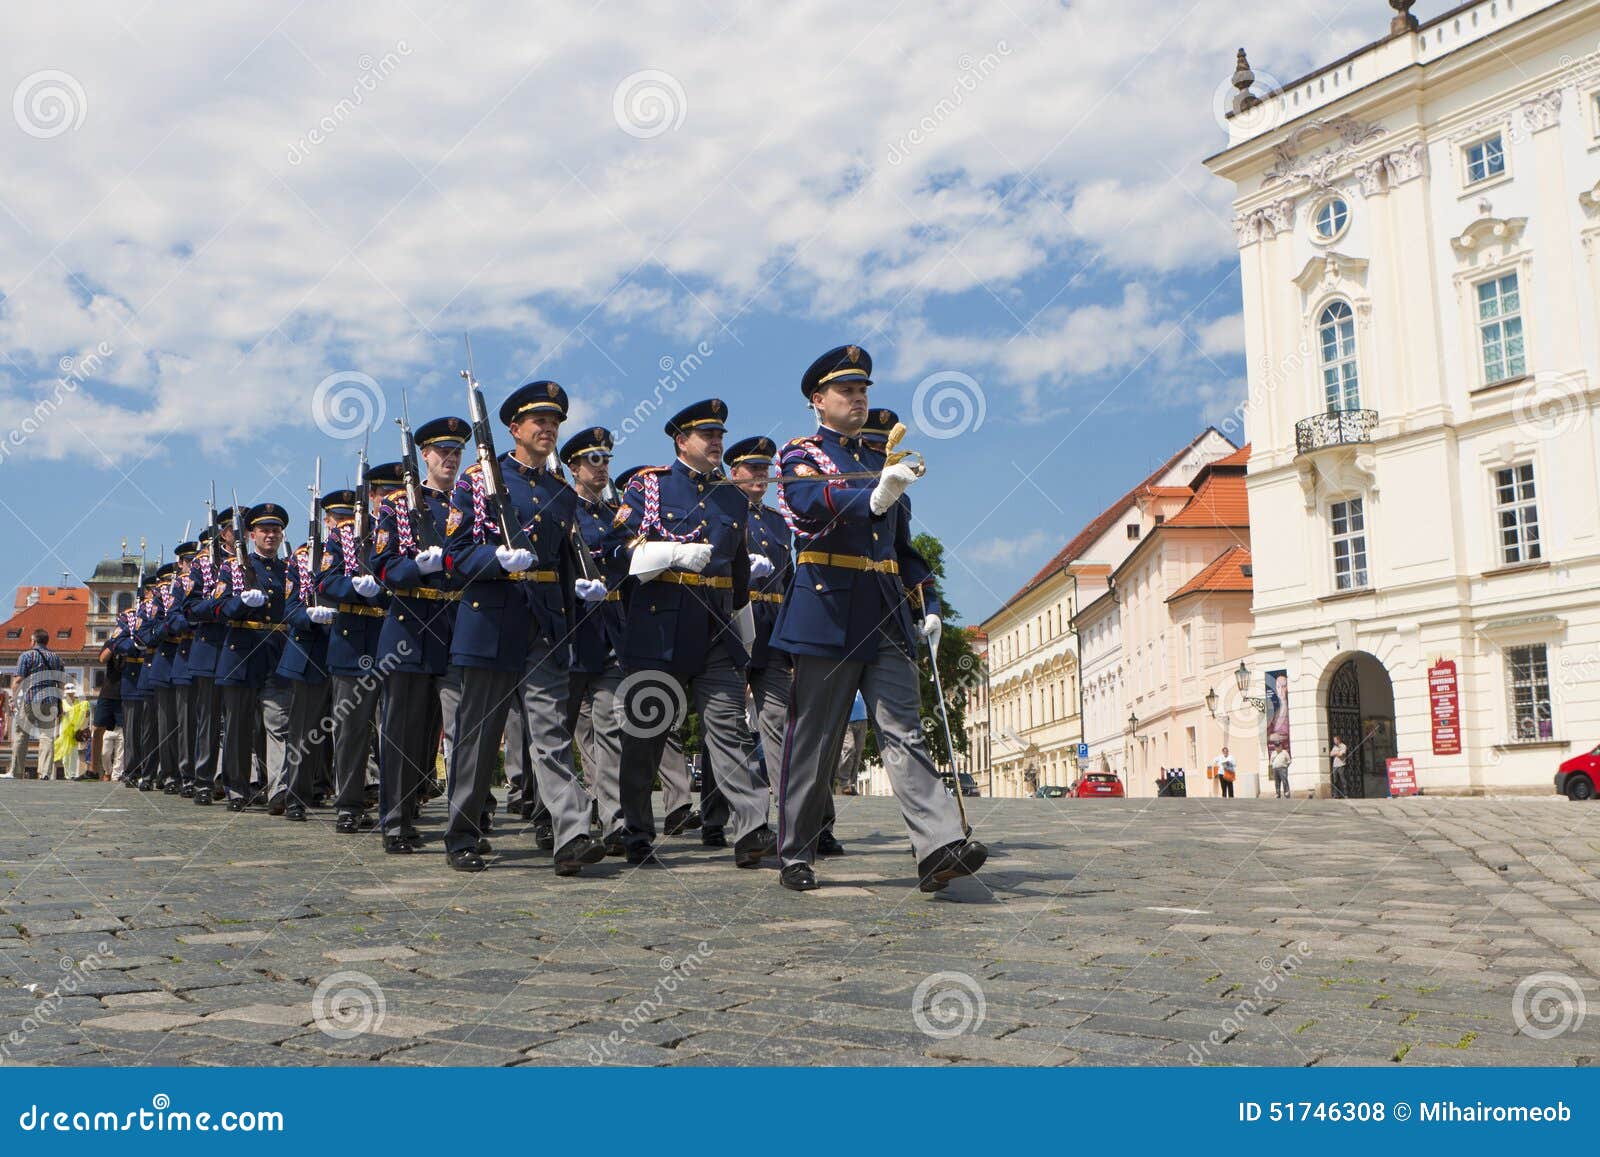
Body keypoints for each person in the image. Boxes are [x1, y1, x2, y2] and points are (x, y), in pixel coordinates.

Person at [770, 344, 988, 892]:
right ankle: (796, 849)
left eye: (863, 389)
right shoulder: (800, 453)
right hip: (826, 607)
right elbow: (809, 501)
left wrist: (930, 606)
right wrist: (872, 493)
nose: (858, 398)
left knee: (903, 731)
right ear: (818, 401)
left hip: (885, 610)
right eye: (846, 390)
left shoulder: (879, 460)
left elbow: (905, 548)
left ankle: (937, 846)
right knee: (816, 738)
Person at [441, 379, 605, 875]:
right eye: (540, 421)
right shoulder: (478, 480)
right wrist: (495, 558)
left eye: (555, 422)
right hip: (492, 619)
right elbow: (454, 555)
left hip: (543, 623)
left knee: (551, 734)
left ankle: (570, 834)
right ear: (514, 428)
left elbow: (562, 558)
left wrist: (580, 591)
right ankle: (463, 834)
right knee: (479, 736)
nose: (549, 429)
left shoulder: (560, 492)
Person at [603, 398, 776, 869]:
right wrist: (671, 554)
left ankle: (752, 827)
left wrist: (746, 639)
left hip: (716, 630)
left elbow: (739, 575)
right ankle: (637, 831)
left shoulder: (732, 496)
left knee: (728, 731)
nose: (717, 442)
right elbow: (616, 552)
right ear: (682, 442)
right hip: (659, 626)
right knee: (646, 735)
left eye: (720, 435)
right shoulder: (649, 486)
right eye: (707, 436)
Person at [371, 416, 468, 853]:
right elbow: (384, 567)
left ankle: (467, 817)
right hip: (410, 625)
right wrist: (419, 568)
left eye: (456, 452)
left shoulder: (472, 503)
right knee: (403, 730)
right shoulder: (397, 506)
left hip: (460, 625)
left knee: (456, 727)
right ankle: (396, 819)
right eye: (442, 452)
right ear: (424, 456)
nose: (450, 459)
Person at [320, 474, 393, 834]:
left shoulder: (406, 527)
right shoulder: (344, 536)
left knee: (394, 730)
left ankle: (395, 804)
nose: (392, 499)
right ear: (373, 496)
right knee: (351, 732)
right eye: (386, 492)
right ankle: (348, 803)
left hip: (394, 640)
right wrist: (352, 586)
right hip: (353, 644)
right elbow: (325, 581)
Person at [215, 503, 292, 811]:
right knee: (239, 725)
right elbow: (218, 608)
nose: (270, 535)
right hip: (243, 651)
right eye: (264, 530)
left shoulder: (288, 570)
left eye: (275, 530)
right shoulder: (232, 568)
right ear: (250, 535)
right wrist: (240, 603)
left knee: (279, 724)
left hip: (276, 650)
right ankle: (237, 788)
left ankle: (279, 789)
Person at [9, 627, 65, 779]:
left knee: (22, 734)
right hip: (51, 701)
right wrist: (60, 704)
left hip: (31, 698)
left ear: (33, 641)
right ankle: (45, 772)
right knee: (47, 736)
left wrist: (13, 699)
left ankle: (16, 771)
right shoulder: (56, 658)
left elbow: (18, 680)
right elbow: (60, 685)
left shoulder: (27, 656)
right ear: (47, 641)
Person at [54, 684, 90, 780]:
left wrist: (86, 714)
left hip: (75, 729)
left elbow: (85, 715)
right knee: (66, 753)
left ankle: (73, 774)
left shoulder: (79, 702)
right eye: (69, 693)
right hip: (64, 730)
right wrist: (57, 733)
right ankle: (67, 775)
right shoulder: (62, 703)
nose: (70, 694)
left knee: (74, 752)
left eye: (72, 692)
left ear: (74, 692)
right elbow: (58, 718)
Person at [1329, 735, 1348, 799]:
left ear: (1338, 740)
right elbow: (1331, 754)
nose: (1334, 741)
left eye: (1335, 740)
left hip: (1341, 765)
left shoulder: (1343, 746)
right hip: (1335, 766)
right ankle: (1336, 795)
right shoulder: (1335, 747)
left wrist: (1336, 753)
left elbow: (1341, 754)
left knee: (1343, 780)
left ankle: (1345, 794)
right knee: (1335, 781)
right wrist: (1337, 753)